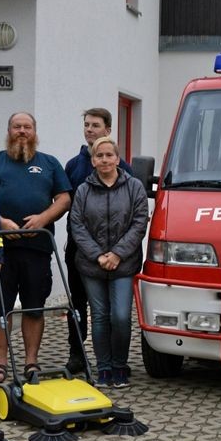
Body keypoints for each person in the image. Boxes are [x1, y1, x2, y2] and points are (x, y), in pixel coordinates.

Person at [0, 112, 71, 383]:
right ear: (8, 130)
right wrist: (0, 222)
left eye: (27, 127)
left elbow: (64, 198)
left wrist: (43, 218)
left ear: (35, 131)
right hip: (0, 249)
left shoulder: (49, 163)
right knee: (0, 307)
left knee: (34, 307)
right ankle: (0, 362)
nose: (22, 131)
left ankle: (31, 362)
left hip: (37, 248)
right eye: (16, 126)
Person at [69, 136, 149, 389]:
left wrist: (116, 254)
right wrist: (98, 255)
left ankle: (119, 364)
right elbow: (77, 225)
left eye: (109, 155)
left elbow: (139, 222)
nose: (104, 159)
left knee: (122, 316)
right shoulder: (83, 189)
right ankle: (103, 367)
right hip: (91, 266)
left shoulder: (134, 186)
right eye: (99, 156)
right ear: (93, 160)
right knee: (100, 316)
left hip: (124, 264)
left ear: (117, 158)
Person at [63, 108, 132, 374]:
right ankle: (77, 354)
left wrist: (117, 251)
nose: (90, 129)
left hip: (117, 255)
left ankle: (115, 360)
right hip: (81, 251)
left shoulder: (123, 169)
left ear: (108, 130)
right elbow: (71, 211)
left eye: (95, 125)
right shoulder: (73, 165)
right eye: (87, 125)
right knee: (77, 304)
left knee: (115, 311)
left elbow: (133, 215)